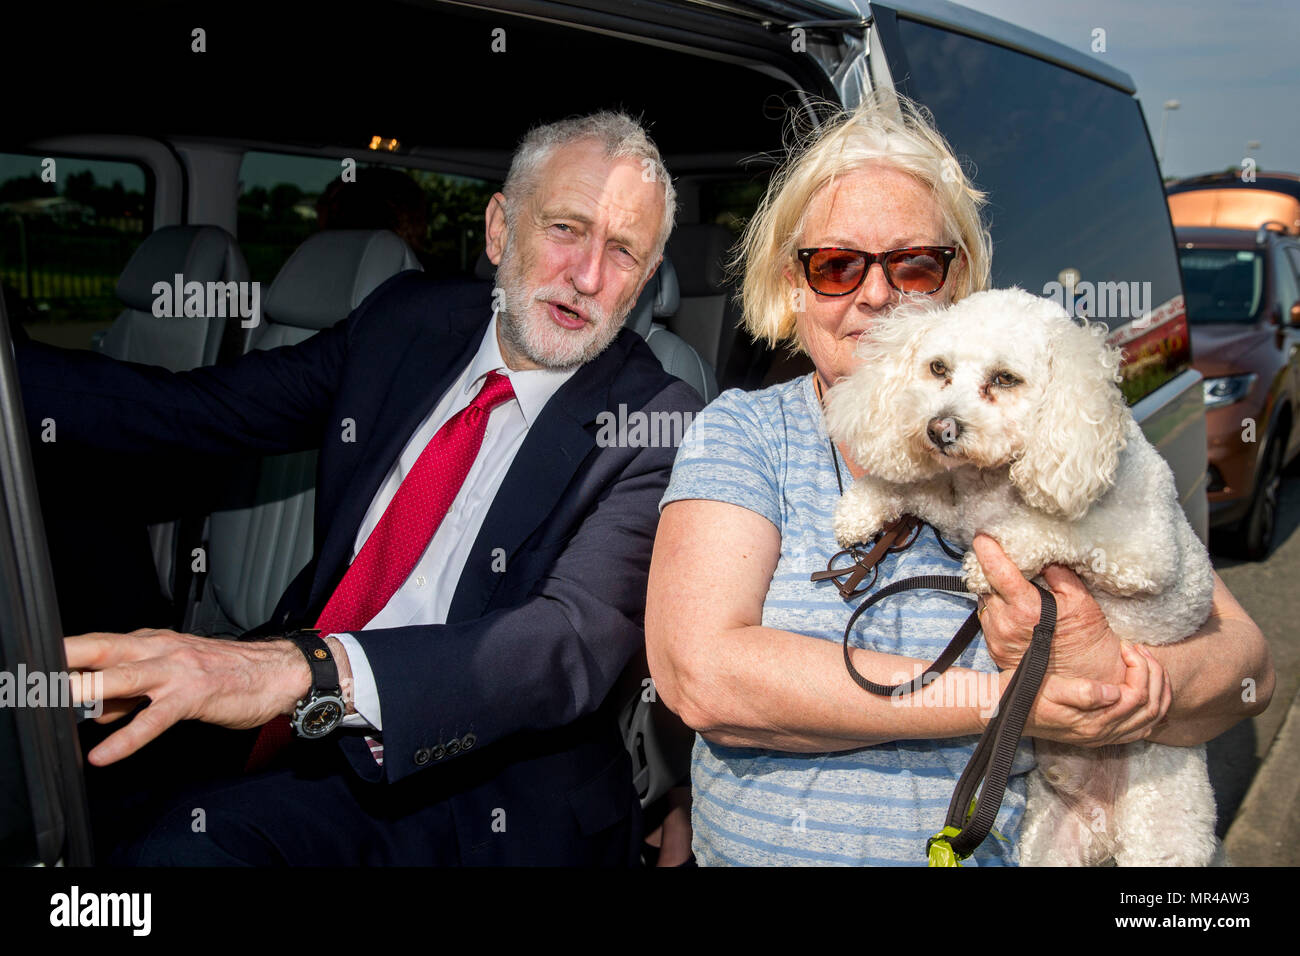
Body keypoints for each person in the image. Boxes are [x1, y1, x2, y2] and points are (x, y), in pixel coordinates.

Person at [16, 111, 704, 865]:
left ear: (642, 280)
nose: (587, 277)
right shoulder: (408, 321)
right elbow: (196, 410)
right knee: (45, 765)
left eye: (623, 252)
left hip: (469, 781)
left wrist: (303, 671)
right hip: (287, 713)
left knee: (181, 853)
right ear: (500, 228)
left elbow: (563, 642)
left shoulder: (657, 420)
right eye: (566, 228)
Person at [644, 93, 1274, 866]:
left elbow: (1246, 663)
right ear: (793, 284)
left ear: (960, 279)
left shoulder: (1056, 427)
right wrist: (1008, 706)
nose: (875, 294)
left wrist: (1133, 692)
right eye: (836, 265)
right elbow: (705, 678)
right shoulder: (744, 433)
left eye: (913, 263)